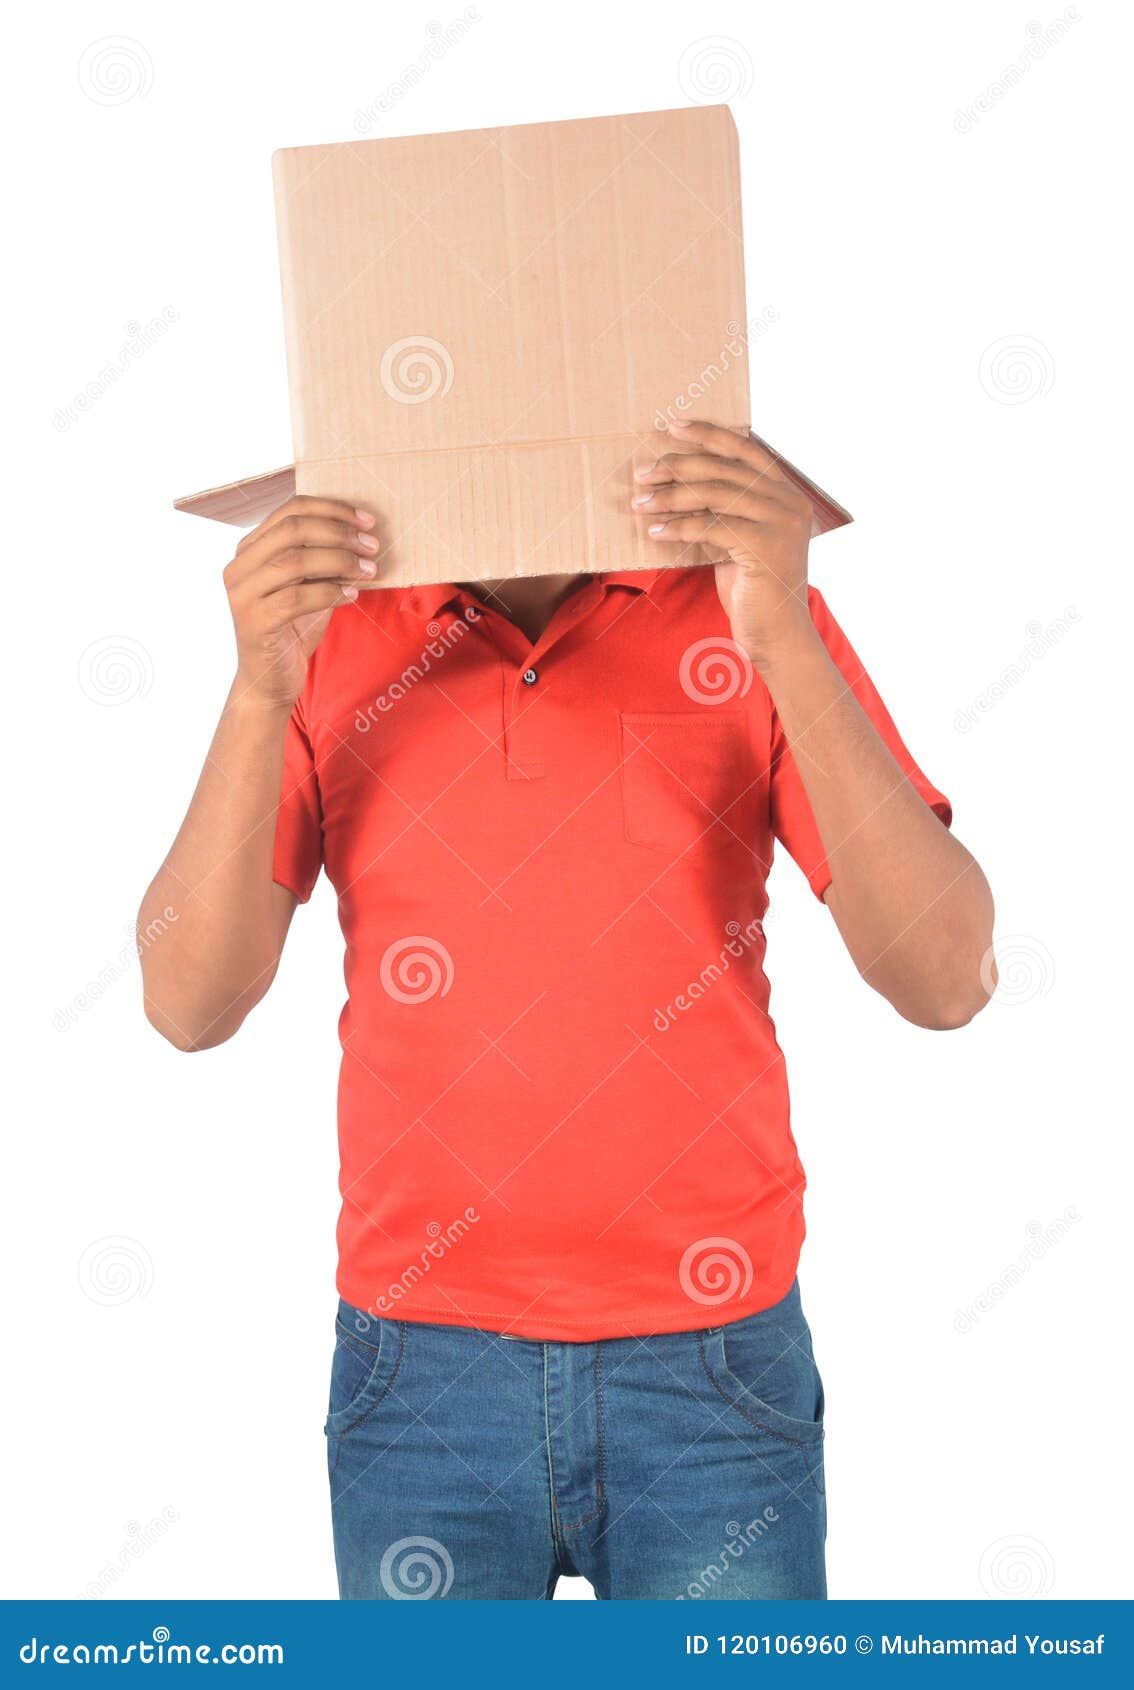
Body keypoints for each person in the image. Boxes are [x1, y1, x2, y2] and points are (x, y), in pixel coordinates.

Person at [138, 418, 994, 1600]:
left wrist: (784, 640)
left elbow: (946, 978)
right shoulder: (329, 633)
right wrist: (256, 690)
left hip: (711, 1368)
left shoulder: (746, 608)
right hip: (423, 1376)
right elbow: (189, 1004)